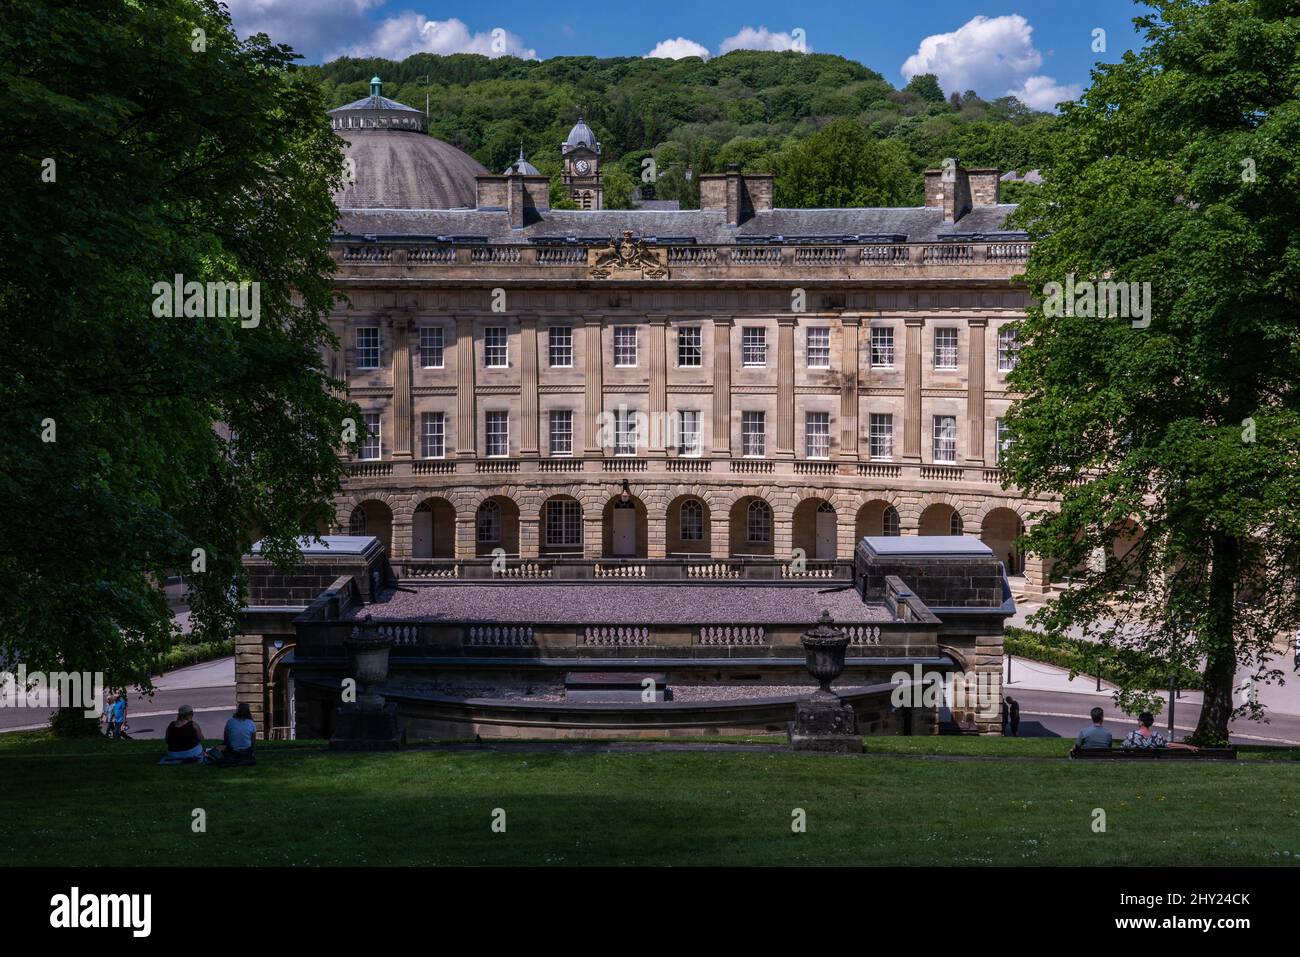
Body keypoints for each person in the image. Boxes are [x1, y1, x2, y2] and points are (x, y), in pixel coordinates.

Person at [1122, 712, 1199, 751]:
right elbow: (1168, 745)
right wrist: (1186, 746)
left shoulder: (1132, 735)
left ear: (1141, 722)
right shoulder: (1156, 736)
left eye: (1138, 720)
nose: (1137, 721)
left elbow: (1123, 748)